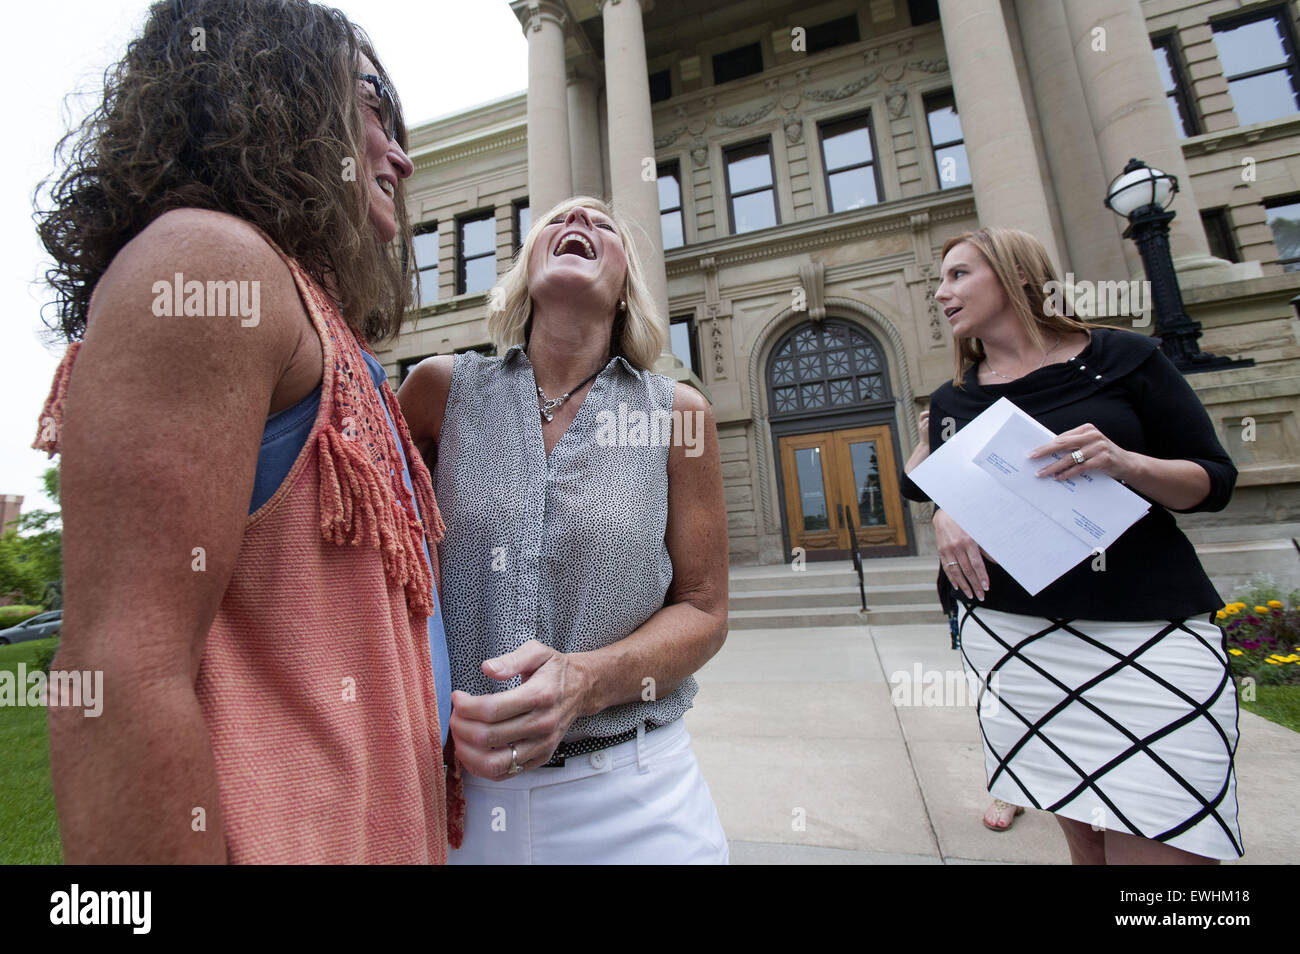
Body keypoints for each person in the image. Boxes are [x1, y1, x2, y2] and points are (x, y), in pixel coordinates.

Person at [32, 0, 460, 863]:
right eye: (373, 101)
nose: (401, 156)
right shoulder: (205, 263)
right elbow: (119, 678)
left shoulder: (317, 318)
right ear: (276, 88)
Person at [398, 195, 730, 864]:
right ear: (524, 274)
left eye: (603, 225)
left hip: (634, 794)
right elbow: (373, 567)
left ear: (625, 289)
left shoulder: (678, 416)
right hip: (461, 800)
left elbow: (705, 610)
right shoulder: (438, 392)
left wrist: (587, 680)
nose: (578, 224)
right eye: (557, 220)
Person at [900, 227, 1243, 864]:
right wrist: (946, 511)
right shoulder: (955, 397)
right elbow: (932, 485)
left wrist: (1126, 463)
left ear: (1018, 276)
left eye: (958, 275)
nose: (942, 294)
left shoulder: (1125, 357)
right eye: (939, 282)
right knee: (1089, 850)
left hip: (1149, 628)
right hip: (1013, 639)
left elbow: (1213, 481)